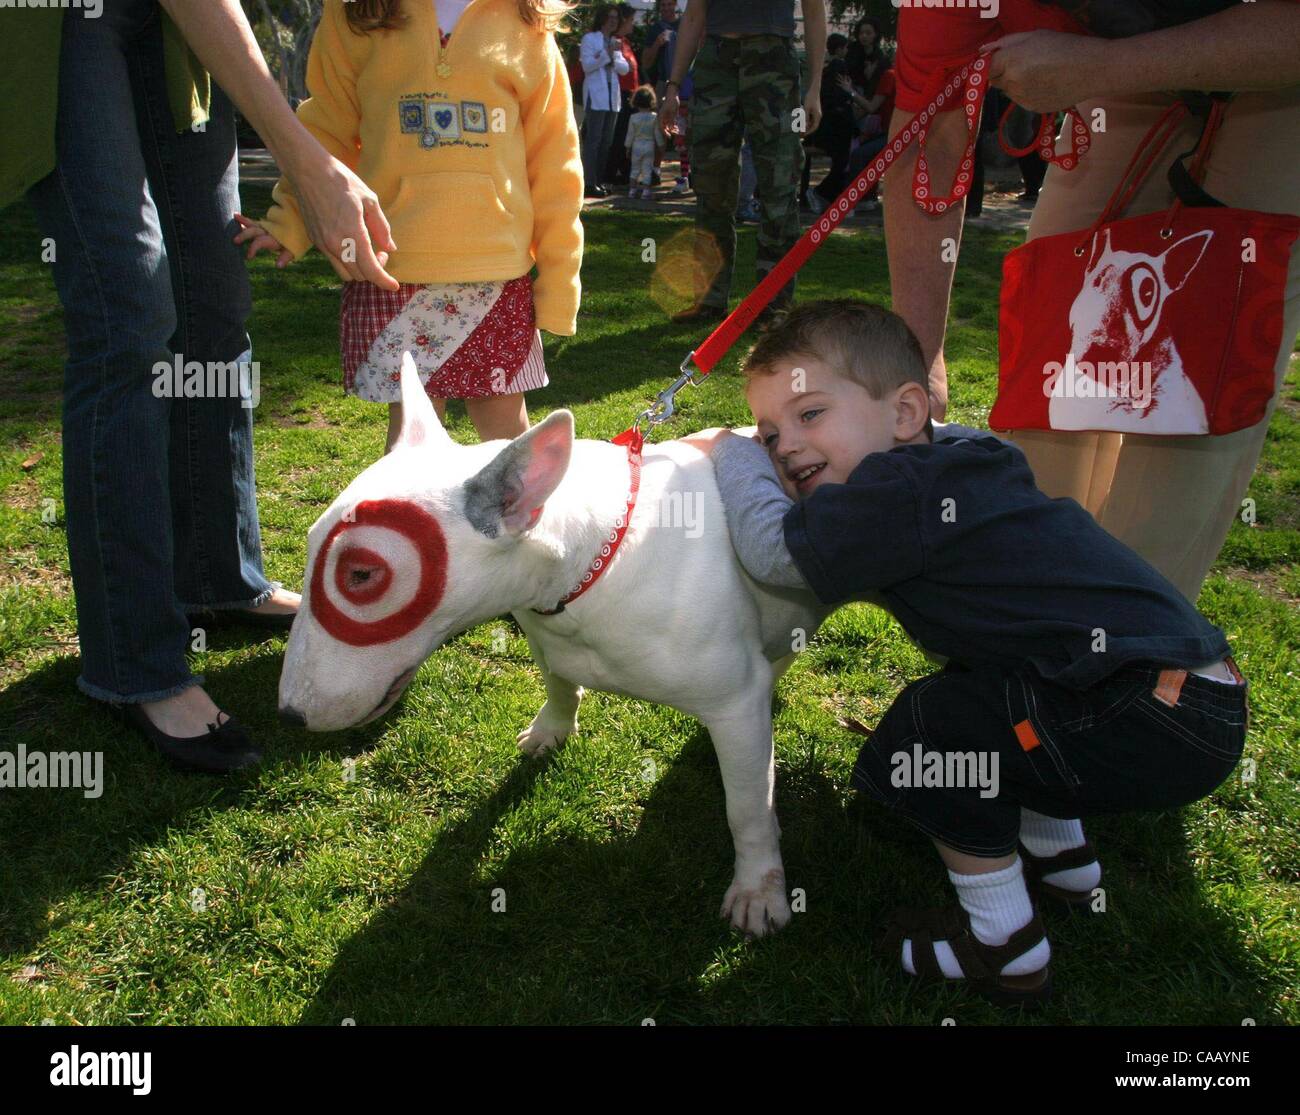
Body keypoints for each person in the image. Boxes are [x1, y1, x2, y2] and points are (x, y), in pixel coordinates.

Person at [682, 300, 1247, 1002]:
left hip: (1140, 710)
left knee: (929, 733)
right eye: (767, 433)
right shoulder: (966, 457)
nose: (784, 447)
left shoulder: (897, 491)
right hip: (1195, 693)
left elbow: (773, 550)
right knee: (999, 690)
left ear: (906, 411)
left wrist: (730, 451)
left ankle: (1003, 943)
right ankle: (1064, 863)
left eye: (810, 414)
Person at [3, 0, 402, 774]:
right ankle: (133, 659)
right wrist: (307, 163)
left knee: (214, 296)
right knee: (131, 308)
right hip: (56, 22)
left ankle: (219, 579)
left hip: (175, 34)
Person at [883, 2, 1300, 602]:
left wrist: (1106, 64)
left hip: (1274, 72)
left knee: (1195, 408)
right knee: (1052, 380)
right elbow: (930, 126)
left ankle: (1137, 650)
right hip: (1105, 79)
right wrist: (917, 358)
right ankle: (1034, 620)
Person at [235, 0, 583, 453]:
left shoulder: (527, 20)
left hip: (497, 274)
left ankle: (532, 528)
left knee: (509, 444)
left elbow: (556, 163)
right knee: (410, 448)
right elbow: (326, 132)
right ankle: (410, 526)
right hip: (395, 267)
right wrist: (292, 220)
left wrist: (559, 283)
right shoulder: (359, 12)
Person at [659, 0, 826, 326]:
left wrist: (814, 87)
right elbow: (694, 15)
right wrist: (673, 87)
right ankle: (708, 301)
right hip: (716, 62)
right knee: (711, 185)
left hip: (774, 63)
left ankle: (773, 306)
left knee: (779, 184)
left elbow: (814, 11)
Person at [579, 4, 631, 198]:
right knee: (593, 140)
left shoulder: (615, 41)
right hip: (596, 94)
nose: (613, 20)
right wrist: (606, 54)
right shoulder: (590, 39)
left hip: (612, 96)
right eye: (609, 17)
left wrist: (610, 56)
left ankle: (599, 181)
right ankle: (588, 182)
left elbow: (624, 68)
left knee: (606, 141)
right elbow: (588, 66)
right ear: (601, 18)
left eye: (616, 18)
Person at [641, 0, 681, 187]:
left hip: (684, 83)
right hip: (662, 83)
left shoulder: (684, 25)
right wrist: (657, 43)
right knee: (660, 129)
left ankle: (686, 174)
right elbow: (646, 62)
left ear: (675, 5)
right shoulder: (655, 29)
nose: (666, 8)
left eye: (669, 5)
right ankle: (656, 170)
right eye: (663, 5)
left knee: (685, 129)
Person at [603, 4, 641, 187]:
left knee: (626, 136)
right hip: (621, 94)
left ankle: (623, 171)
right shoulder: (614, 41)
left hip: (630, 95)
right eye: (631, 20)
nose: (633, 24)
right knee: (619, 136)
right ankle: (610, 172)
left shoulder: (624, 41)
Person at [625, 85, 666, 200]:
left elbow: (630, 134)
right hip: (649, 145)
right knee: (647, 169)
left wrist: (628, 147)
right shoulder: (654, 117)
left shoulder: (633, 117)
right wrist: (661, 145)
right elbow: (657, 133)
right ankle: (646, 191)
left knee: (635, 168)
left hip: (637, 145)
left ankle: (632, 190)